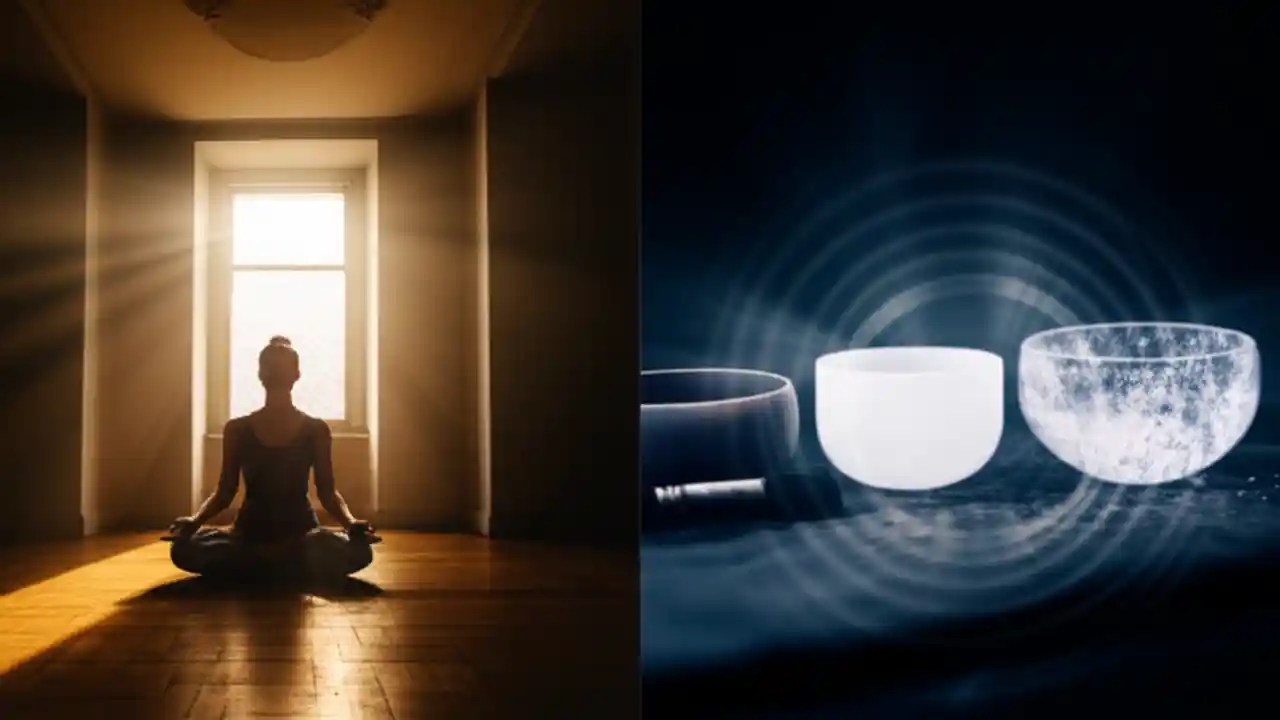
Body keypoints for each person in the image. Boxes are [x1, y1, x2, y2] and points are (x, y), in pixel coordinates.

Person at [168, 335, 378, 581]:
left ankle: (261, 565)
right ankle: (282, 565)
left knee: (360, 551)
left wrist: (352, 524)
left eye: (281, 367)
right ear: (262, 374)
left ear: (295, 375)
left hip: (300, 535)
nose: (276, 373)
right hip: (251, 534)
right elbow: (225, 492)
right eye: (272, 367)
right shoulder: (238, 429)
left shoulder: (315, 430)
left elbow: (328, 492)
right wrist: (194, 522)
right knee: (182, 549)